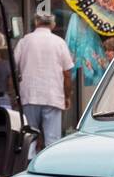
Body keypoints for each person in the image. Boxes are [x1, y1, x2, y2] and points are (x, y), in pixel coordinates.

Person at [15, 13, 73, 154]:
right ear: (53, 25)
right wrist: (67, 95)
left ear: (36, 23)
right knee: (52, 139)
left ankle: (28, 166)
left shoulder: (24, 41)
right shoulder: (59, 42)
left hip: (29, 94)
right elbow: (67, 73)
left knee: (30, 136)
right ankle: (50, 167)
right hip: (53, 95)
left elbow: (14, 66)